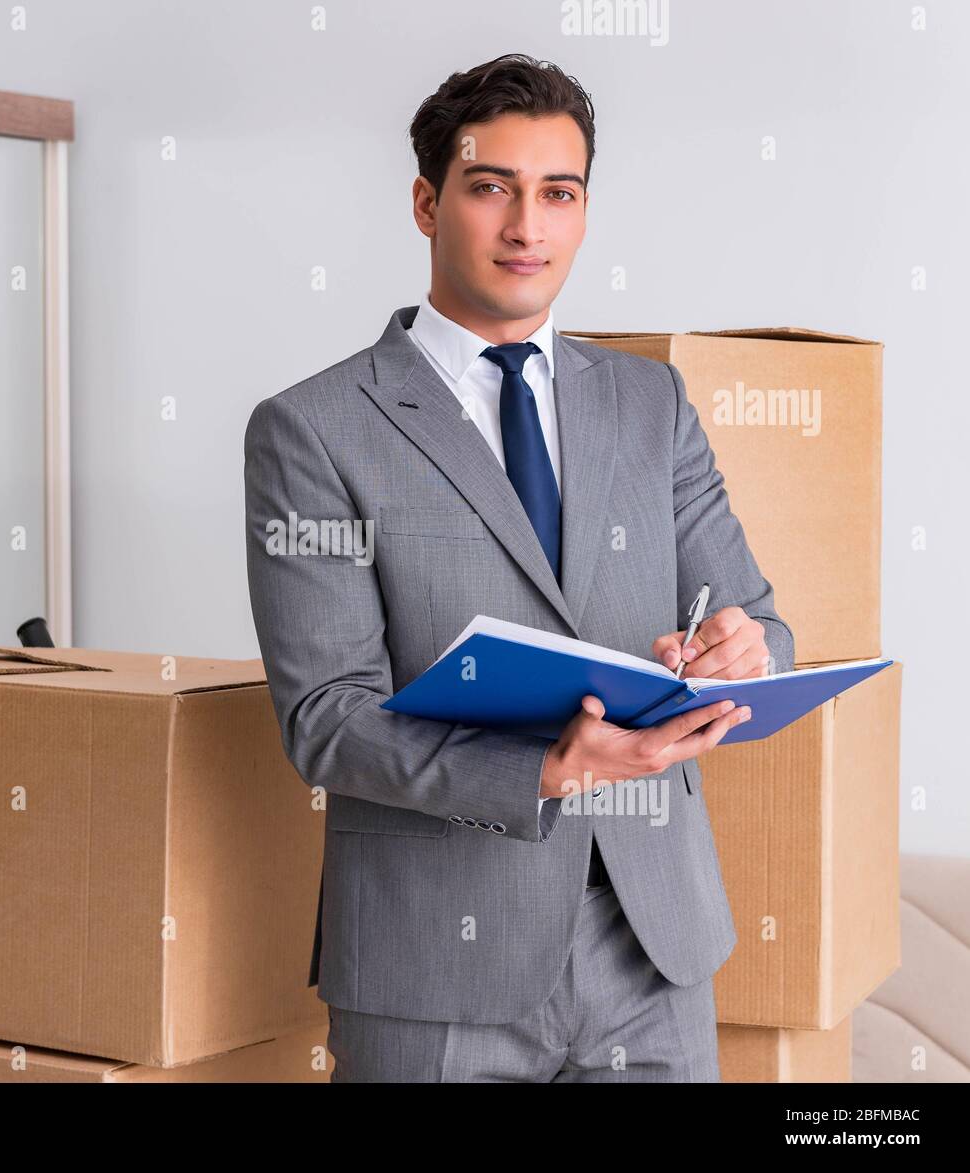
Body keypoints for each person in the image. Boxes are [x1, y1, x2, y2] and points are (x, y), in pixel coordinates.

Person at [243, 53, 792, 1082]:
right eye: (490, 187)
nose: (525, 227)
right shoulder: (313, 431)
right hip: (434, 970)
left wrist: (740, 652)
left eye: (558, 193)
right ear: (426, 201)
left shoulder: (650, 404)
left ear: (583, 212)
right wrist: (549, 768)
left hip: (651, 949)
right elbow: (324, 718)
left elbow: (761, 621)